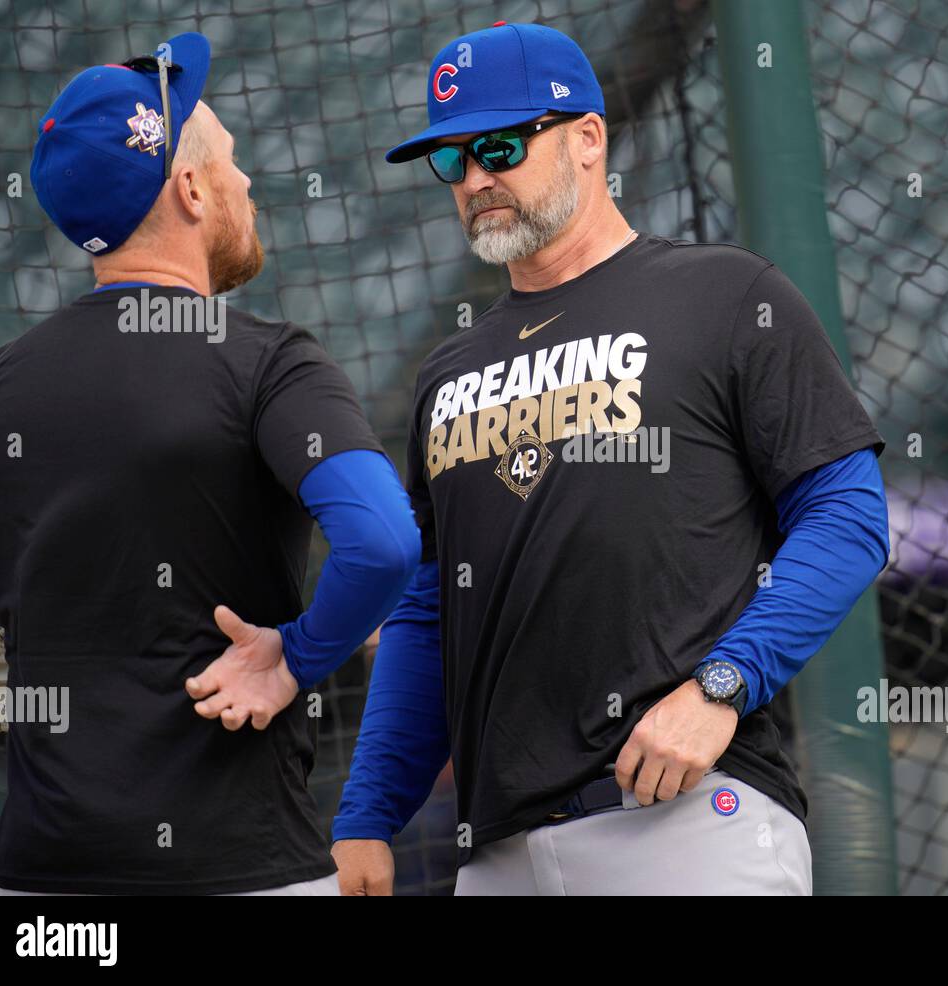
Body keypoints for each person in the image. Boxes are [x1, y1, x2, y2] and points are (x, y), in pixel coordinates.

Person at [329, 21, 891, 895]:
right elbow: (427, 614)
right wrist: (366, 815)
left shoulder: (728, 295)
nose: (477, 179)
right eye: (453, 161)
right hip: (501, 854)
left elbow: (850, 516)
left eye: (502, 146)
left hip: (689, 823)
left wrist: (722, 686)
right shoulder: (448, 372)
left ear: (588, 139)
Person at [0, 31, 420, 895]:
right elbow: (385, 542)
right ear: (190, 189)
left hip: (43, 888)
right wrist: (295, 657)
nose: (247, 181)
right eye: (232, 161)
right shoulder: (267, 362)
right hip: (242, 870)